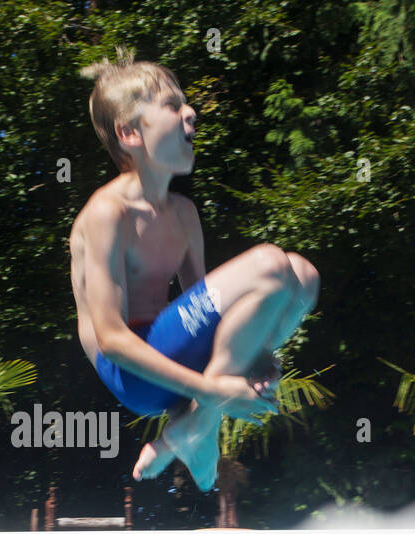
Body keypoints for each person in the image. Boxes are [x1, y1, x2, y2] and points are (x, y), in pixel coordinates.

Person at [70, 48, 320, 490]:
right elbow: (111, 338)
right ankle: (196, 424)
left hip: (175, 357)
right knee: (269, 264)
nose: (191, 114)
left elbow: (216, 314)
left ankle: (192, 430)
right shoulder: (108, 214)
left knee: (301, 276)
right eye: (172, 106)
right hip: (130, 371)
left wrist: (260, 352)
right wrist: (216, 391)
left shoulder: (184, 214)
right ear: (129, 132)